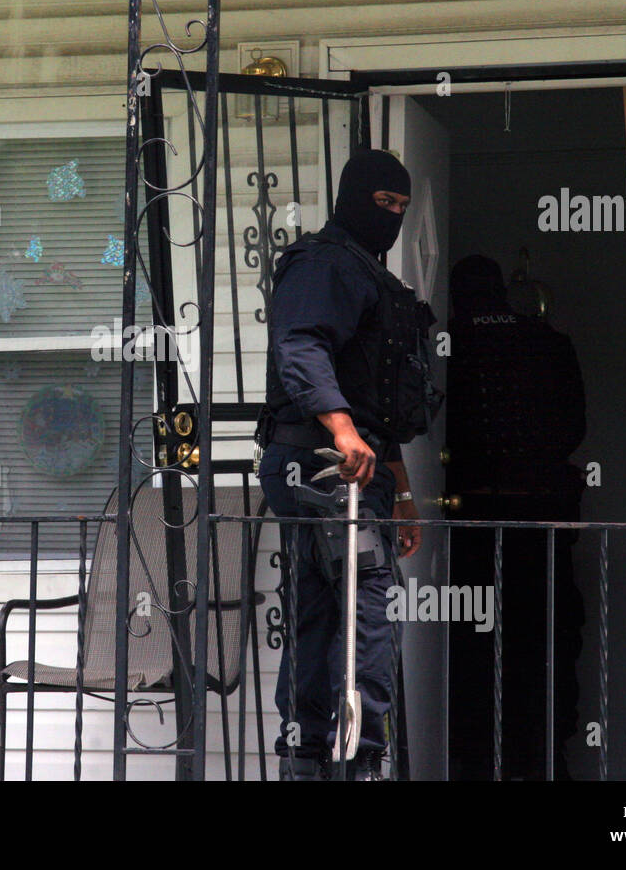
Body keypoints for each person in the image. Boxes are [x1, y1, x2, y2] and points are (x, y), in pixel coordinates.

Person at [257, 149, 436, 781]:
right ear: (352, 198)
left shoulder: (370, 274)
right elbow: (299, 345)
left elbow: (376, 410)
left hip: (358, 473)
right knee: (361, 612)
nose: (390, 217)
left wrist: (405, 496)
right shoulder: (326, 263)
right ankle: (349, 761)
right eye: (382, 203)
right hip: (321, 469)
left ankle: (316, 759)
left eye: (400, 209)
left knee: (330, 612)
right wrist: (337, 426)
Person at [443, 254, 587, 780]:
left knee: (473, 641)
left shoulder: (448, 344)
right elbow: (574, 428)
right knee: (547, 639)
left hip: (471, 519)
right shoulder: (547, 339)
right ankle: (546, 756)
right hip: (544, 517)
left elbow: (435, 431)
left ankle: (479, 758)